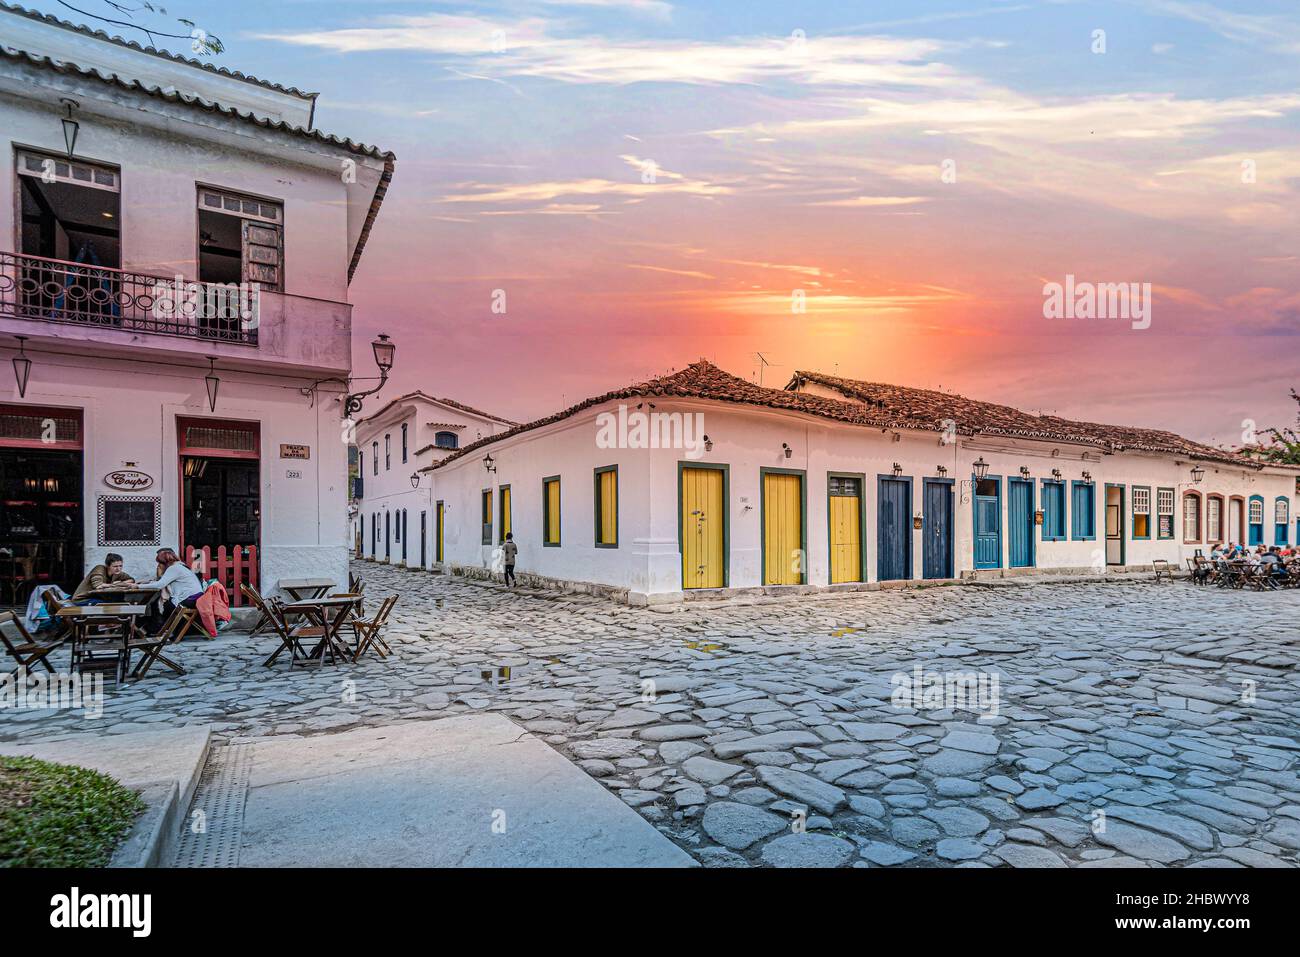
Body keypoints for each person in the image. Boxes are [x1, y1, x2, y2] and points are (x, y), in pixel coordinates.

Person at [140, 548, 205, 630]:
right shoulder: (179, 566)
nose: (159, 565)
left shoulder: (174, 568)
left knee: (160, 605)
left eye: (160, 563)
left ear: (165, 562)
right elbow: (162, 581)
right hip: (194, 598)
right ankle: (160, 630)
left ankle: (160, 630)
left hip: (190, 599)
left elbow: (160, 584)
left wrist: (137, 586)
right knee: (158, 603)